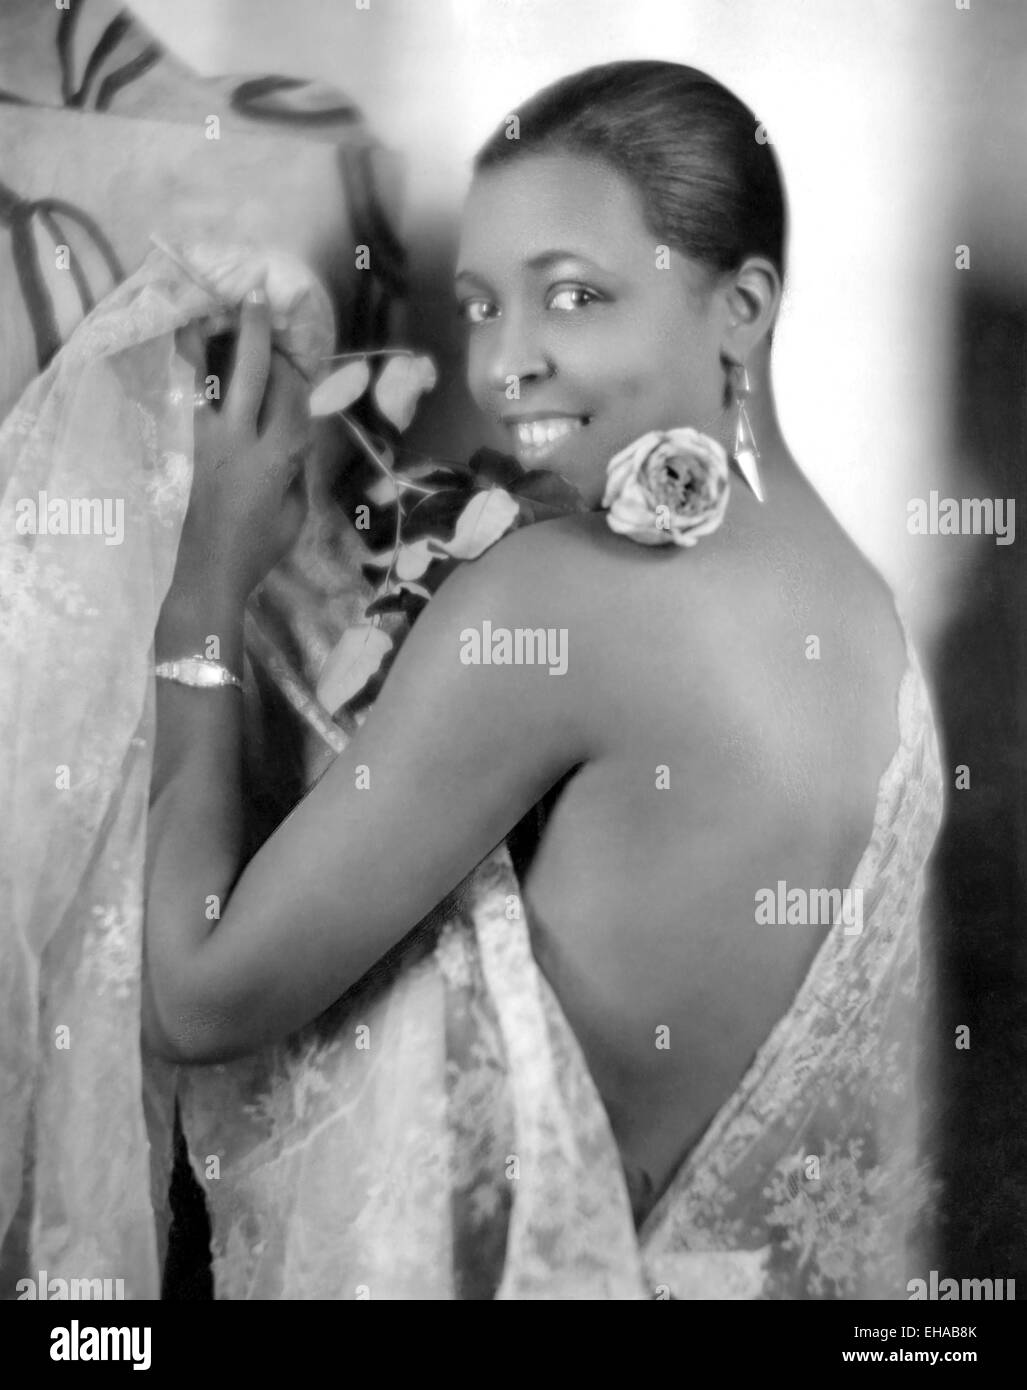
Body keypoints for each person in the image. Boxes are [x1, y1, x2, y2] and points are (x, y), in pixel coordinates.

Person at [145, 61, 945, 1299]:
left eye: (571, 295)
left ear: (739, 306)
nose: (504, 365)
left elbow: (197, 999)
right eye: (479, 306)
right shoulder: (862, 611)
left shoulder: (557, 601)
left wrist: (199, 596)